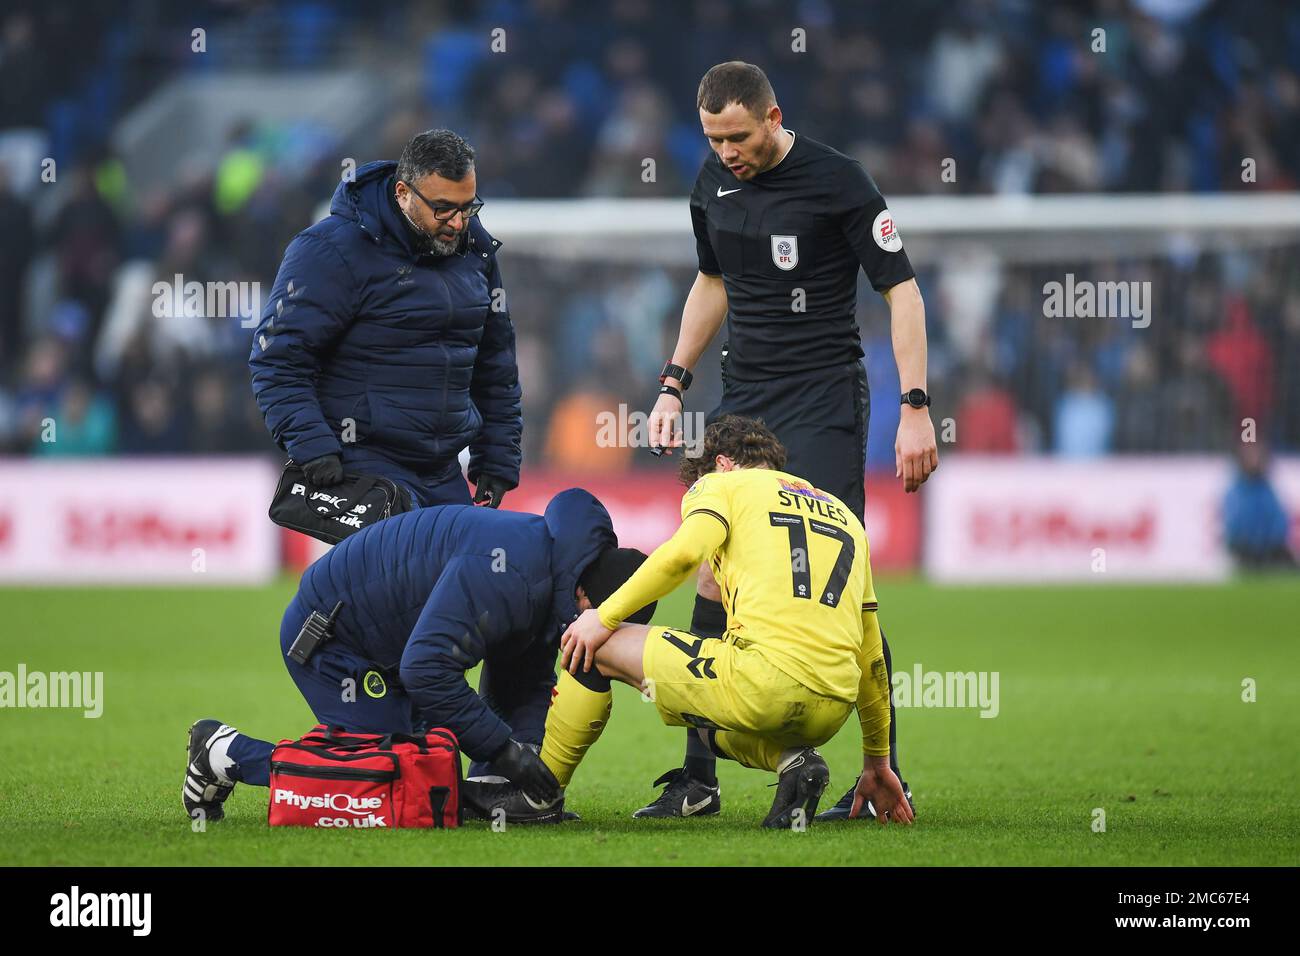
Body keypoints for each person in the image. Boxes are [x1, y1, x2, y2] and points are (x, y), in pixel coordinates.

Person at [645, 61, 936, 819]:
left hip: (824, 399)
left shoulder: (840, 181)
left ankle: (881, 776)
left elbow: (901, 288)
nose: (726, 152)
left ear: (774, 116)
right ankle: (698, 781)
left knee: (844, 586)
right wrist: (674, 381)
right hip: (746, 400)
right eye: (713, 138)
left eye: (737, 136)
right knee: (713, 568)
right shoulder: (711, 183)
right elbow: (713, 282)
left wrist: (914, 407)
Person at [182, 489, 655, 824]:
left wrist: (516, 775)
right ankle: (224, 752)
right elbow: (427, 668)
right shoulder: (511, 572)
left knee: (437, 784)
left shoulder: (551, 575)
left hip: (391, 644)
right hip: (333, 640)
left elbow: (522, 680)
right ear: (589, 601)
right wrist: (505, 754)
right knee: (395, 784)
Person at [539, 416, 914, 828]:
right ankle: (795, 763)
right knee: (706, 725)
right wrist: (877, 760)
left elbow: (682, 555)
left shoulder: (721, 486)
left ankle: (538, 794)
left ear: (722, 463)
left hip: (763, 684)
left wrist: (602, 616)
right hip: (831, 709)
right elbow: (871, 651)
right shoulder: (844, 516)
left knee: (593, 644)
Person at [249, 129, 521, 510]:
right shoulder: (329, 251)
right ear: (403, 193)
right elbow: (277, 358)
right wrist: (312, 445)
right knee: (407, 567)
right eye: (443, 208)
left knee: (464, 570)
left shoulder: (476, 251)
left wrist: (496, 455)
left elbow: (495, 363)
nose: (458, 223)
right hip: (364, 466)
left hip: (442, 471)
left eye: (468, 207)